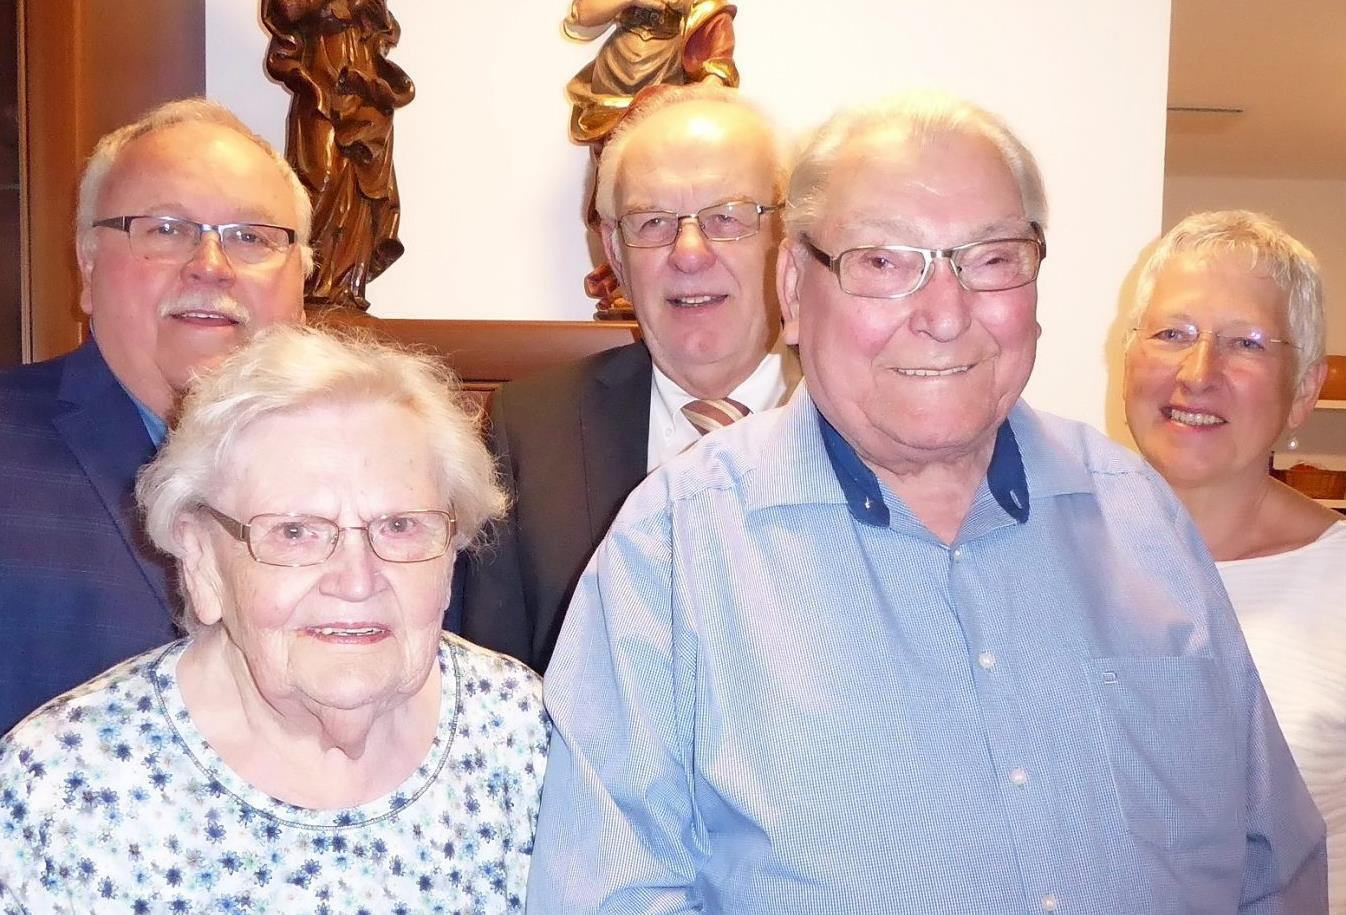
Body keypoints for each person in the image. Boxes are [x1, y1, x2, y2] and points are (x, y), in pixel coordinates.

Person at [526, 93, 1327, 913]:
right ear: (795, 291)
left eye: (989, 258)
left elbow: (1275, 866)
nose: (944, 314)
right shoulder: (671, 550)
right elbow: (608, 893)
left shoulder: (1141, 517)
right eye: (882, 260)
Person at [0, 325, 548, 912]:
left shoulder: (525, 733)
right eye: (294, 533)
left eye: (400, 526)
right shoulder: (64, 787)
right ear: (202, 561)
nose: (356, 581)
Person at [460, 84, 799, 671]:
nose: (689, 252)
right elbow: (494, 675)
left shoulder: (863, 417)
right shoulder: (535, 429)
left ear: (786, 237)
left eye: (727, 216)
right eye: (652, 222)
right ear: (616, 255)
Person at [0, 98, 311, 735]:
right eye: (166, 229)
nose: (211, 265)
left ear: (303, 282)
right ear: (87, 267)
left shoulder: (382, 473)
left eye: (251, 237)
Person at [1123, 210, 1345, 911]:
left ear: (1304, 389)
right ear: (1127, 358)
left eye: (1245, 343)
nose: (1198, 372)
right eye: (1172, 333)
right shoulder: (1035, 553)